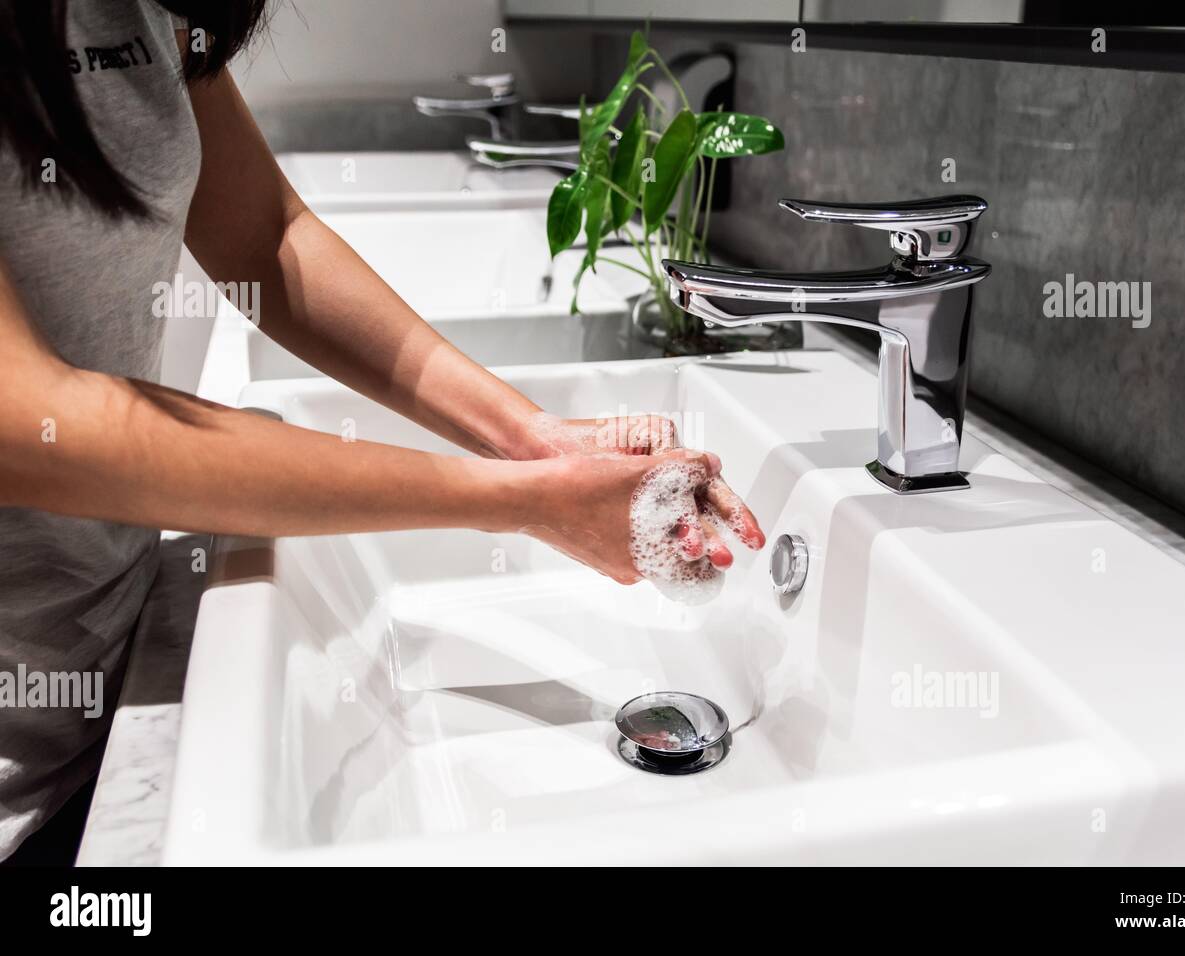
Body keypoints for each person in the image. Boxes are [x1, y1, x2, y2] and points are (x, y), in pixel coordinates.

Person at [0, 0, 763, 863]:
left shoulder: (145, 9)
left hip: (102, 686)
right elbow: (30, 422)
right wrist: (521, 501)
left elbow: (266, 237)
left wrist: (532, 440)